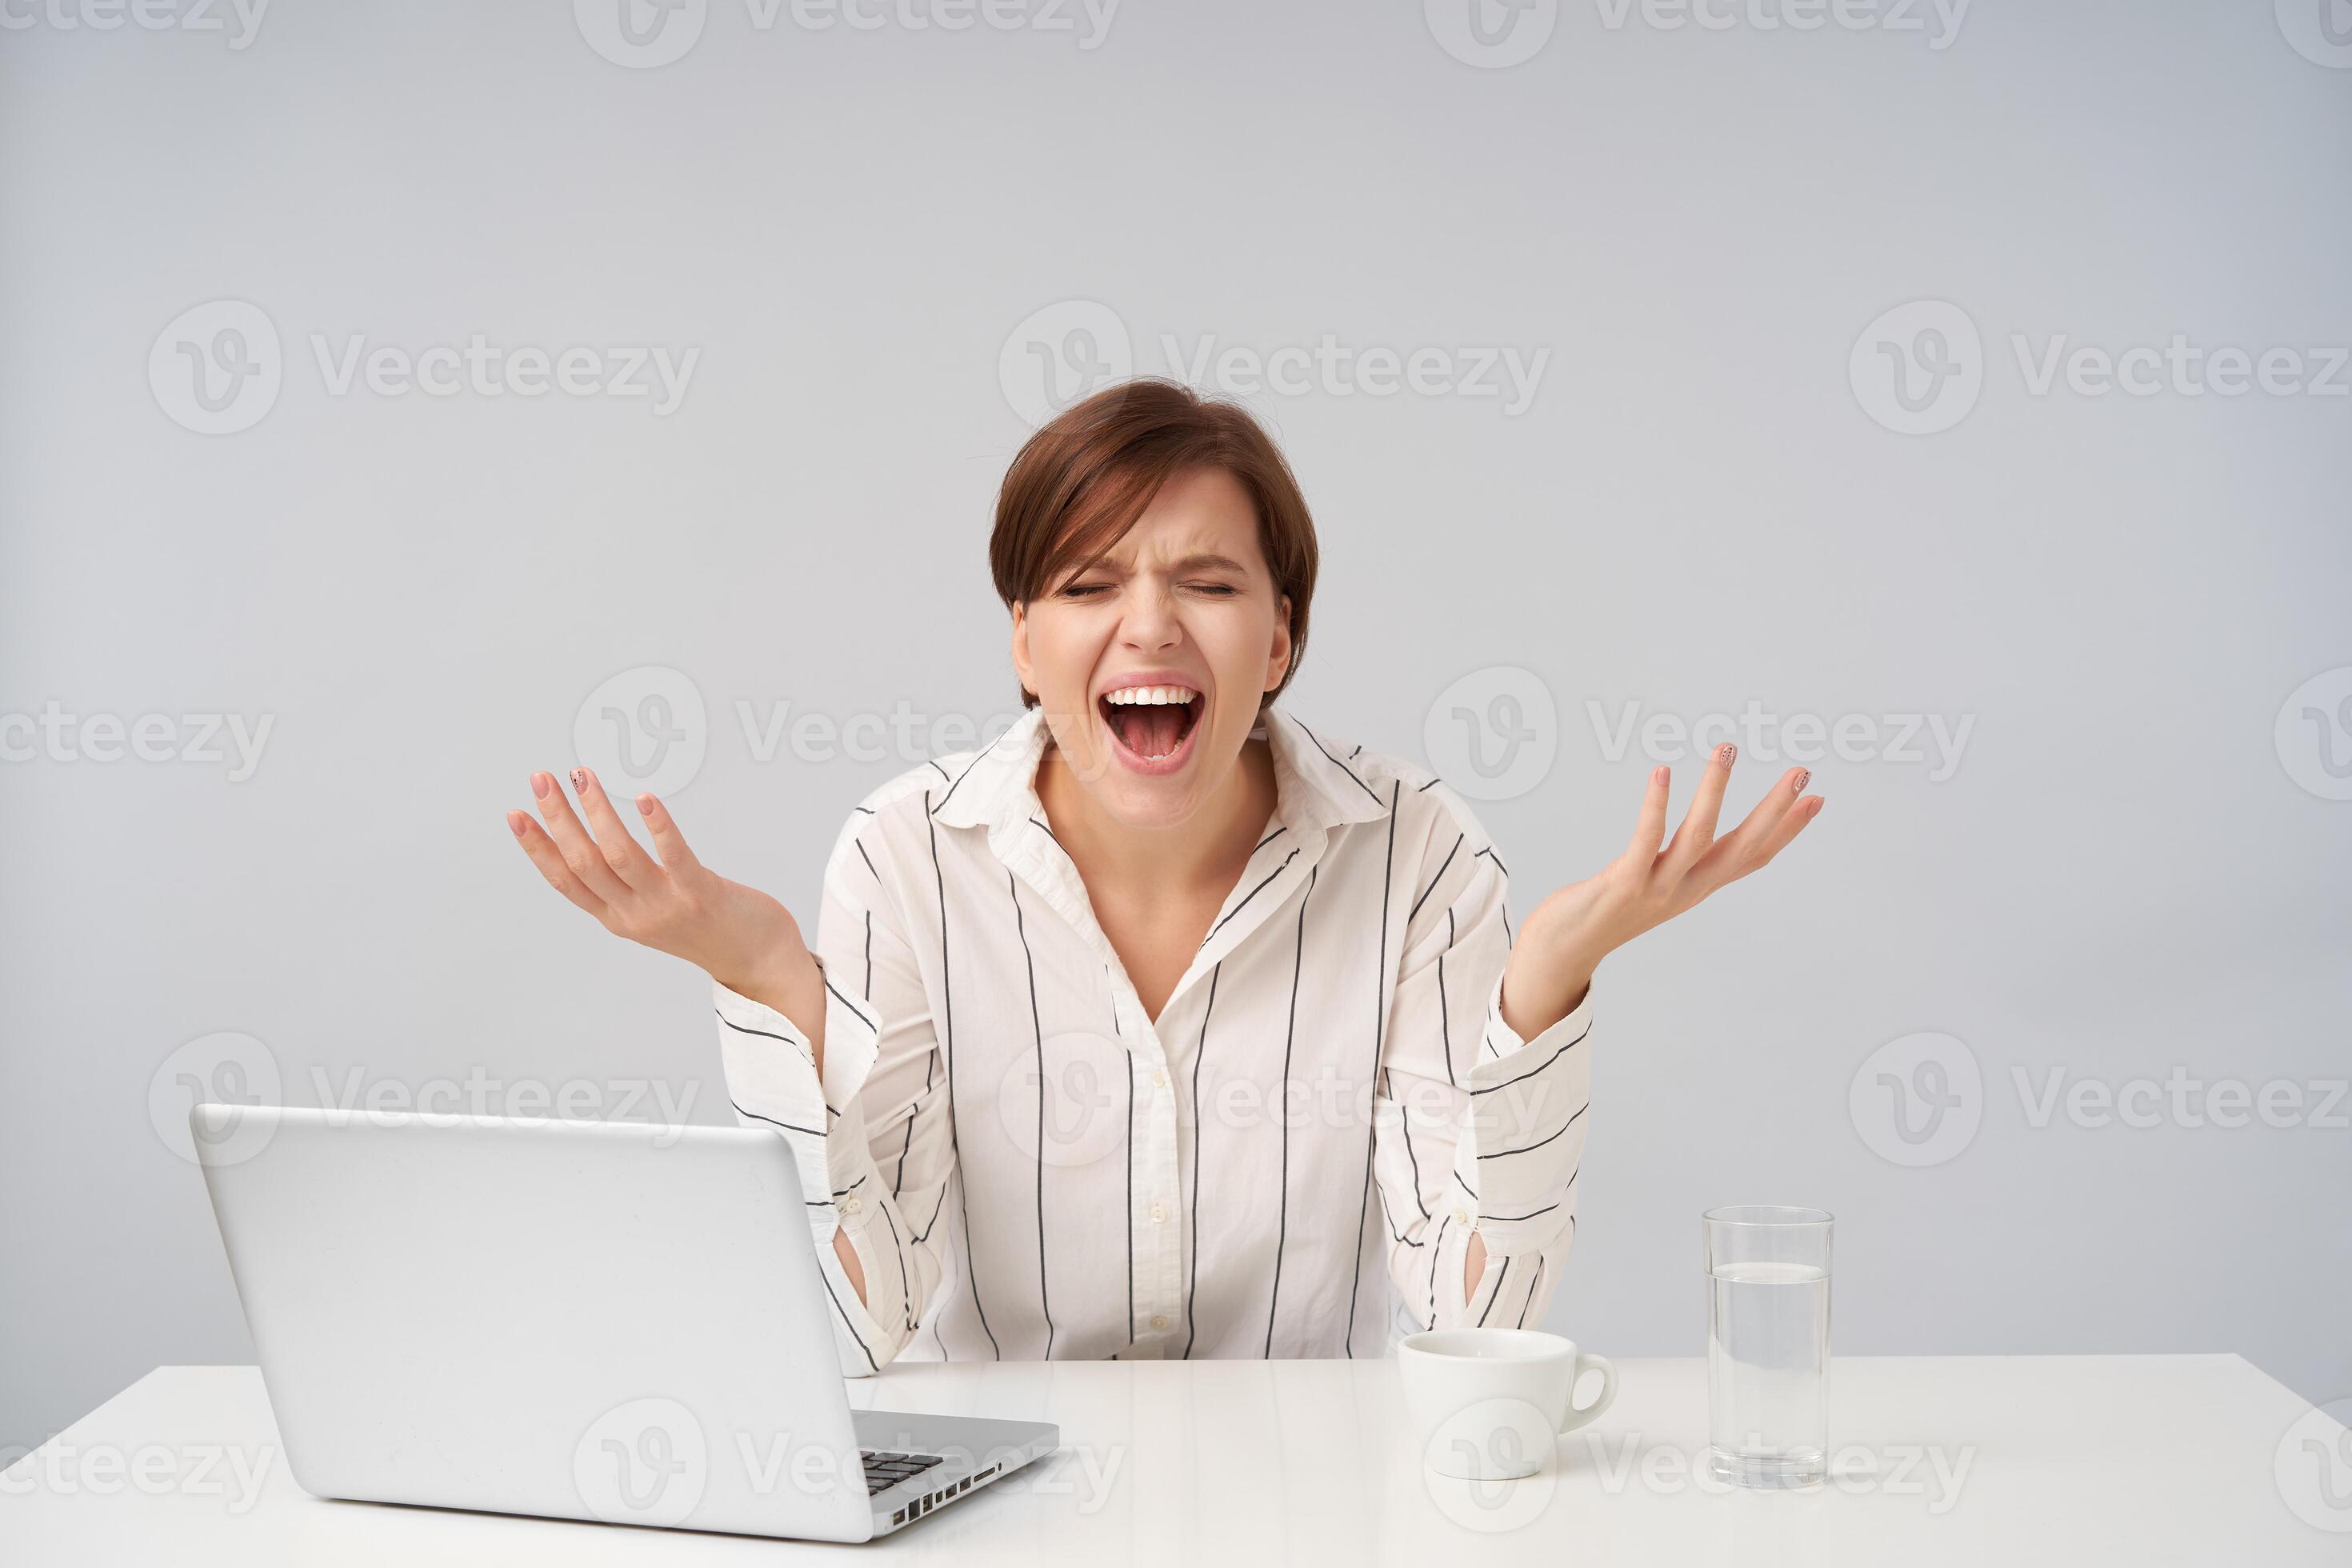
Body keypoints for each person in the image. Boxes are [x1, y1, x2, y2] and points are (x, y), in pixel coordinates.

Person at [506, 379, 1822, 1370]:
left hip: (1322, 1520)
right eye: (1087, 586)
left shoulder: (1417, 854)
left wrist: (1543, 989)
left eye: (1207, 581)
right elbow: (861, 1327)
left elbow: (1478, 1317)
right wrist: (773, 986)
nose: (1149, 624)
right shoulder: (903, 855)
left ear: (1280, 639)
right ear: (1025, 642)